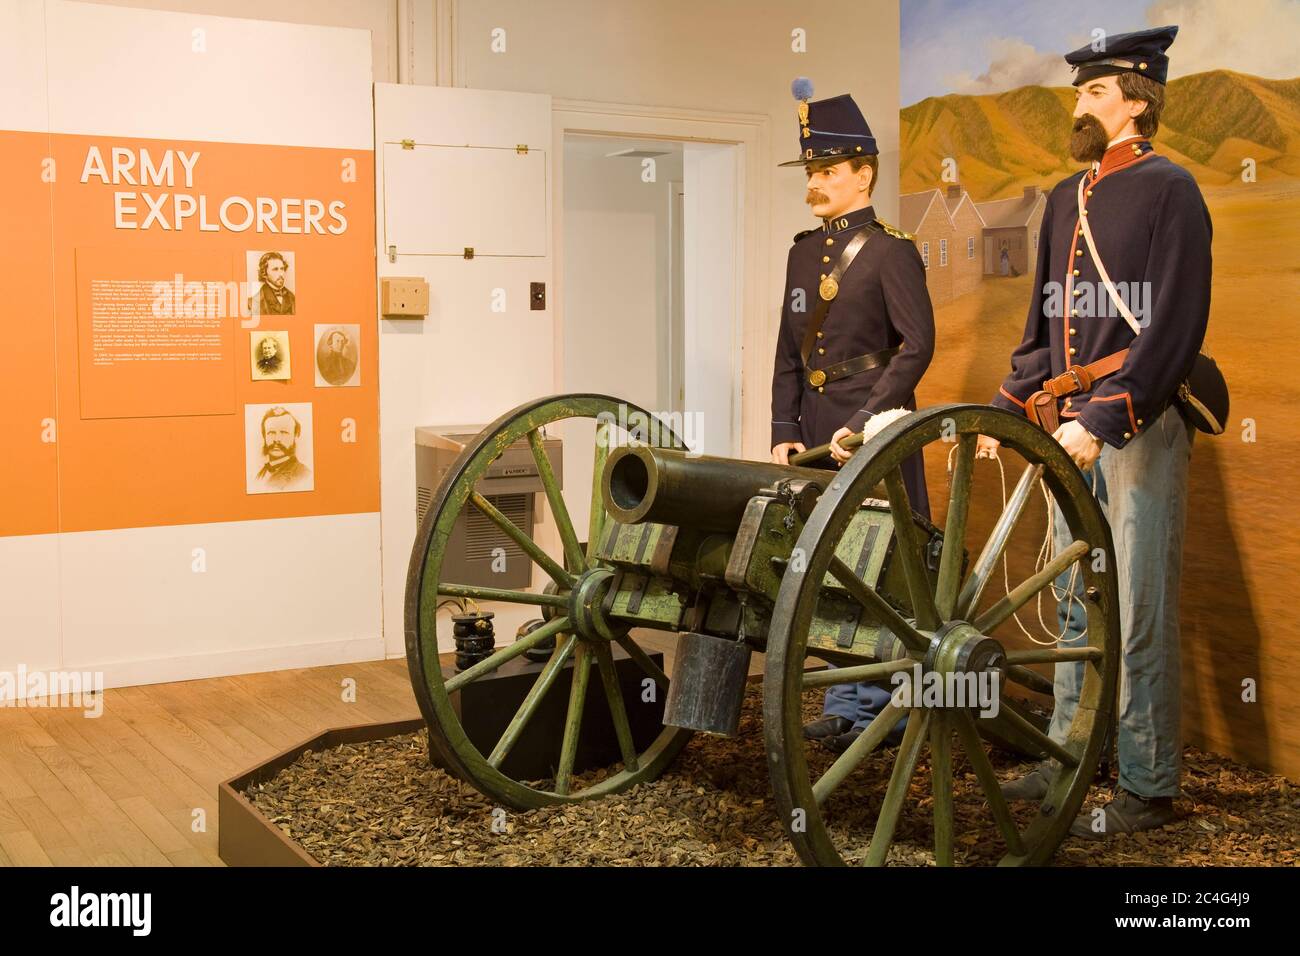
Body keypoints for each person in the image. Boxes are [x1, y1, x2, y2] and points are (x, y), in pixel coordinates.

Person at [979, 25, 1211, 838]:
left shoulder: (1170, 189)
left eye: (1094, 90)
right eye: (1080, 90)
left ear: (1137, 101)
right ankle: (1072, 754)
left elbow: (1175, 325)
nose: (1078, 103)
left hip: (1137, 422)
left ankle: (1148, 787)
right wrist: (1008, 406)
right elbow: (1045, 315)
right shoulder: (1065, 195)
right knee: (1078, 600)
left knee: (1140, 606)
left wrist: (1108, 419)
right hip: (1070, 421)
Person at [769, 78, 935, 755]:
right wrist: (783, 431)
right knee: (829, 566)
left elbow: (917, 346)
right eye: (812, 171)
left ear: (863, 173)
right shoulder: (802, 251)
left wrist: (867, 419)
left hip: (870, 425)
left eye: (829, 170)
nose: (816, 183)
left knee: (879, 562)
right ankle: (847, 697)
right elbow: (787, 350)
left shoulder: (893, 250)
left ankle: (882, 704)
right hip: (813, 425)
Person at [254, 406, 313, 491]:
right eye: (271, 432)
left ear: (295, 436)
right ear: (264, 437)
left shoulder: (304, 475)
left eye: (284, 432)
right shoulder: (260, 474)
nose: (277, 439)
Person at [252, 251, 295, 316]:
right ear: (264, 273)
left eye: (282, 269)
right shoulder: (255, 301)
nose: (281, 274)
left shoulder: (292, 297)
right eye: (275, 269)